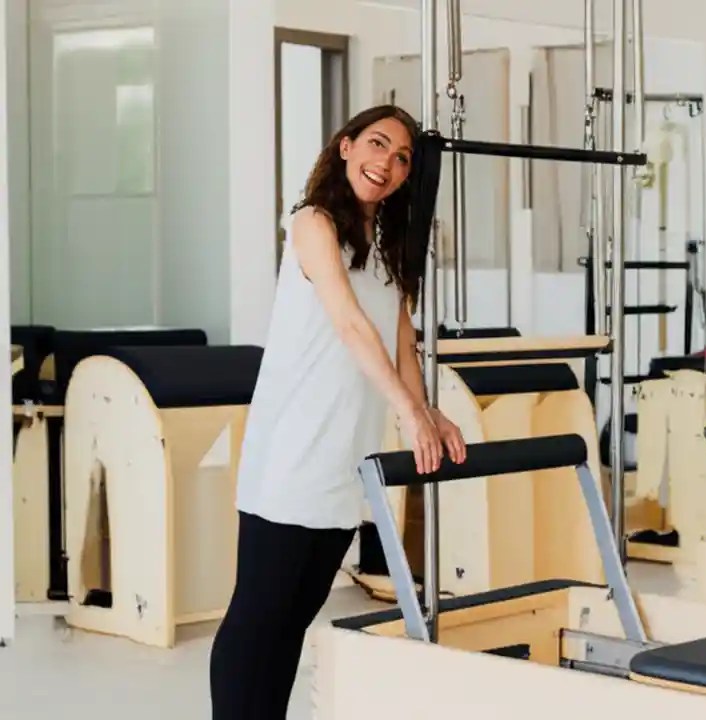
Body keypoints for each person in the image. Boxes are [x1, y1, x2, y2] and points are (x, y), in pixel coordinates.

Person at [208, 104, 466, 719]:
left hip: (342, 457)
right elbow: (350, 324)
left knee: (295, 617)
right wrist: (407, 412)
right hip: (290, 453)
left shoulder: (384, 251)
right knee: (259, 614)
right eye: (378, 144)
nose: (388, 163)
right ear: (346, 146)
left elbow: (401, 340)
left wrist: (429, 411)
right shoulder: (310, 223)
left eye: (403, 157)